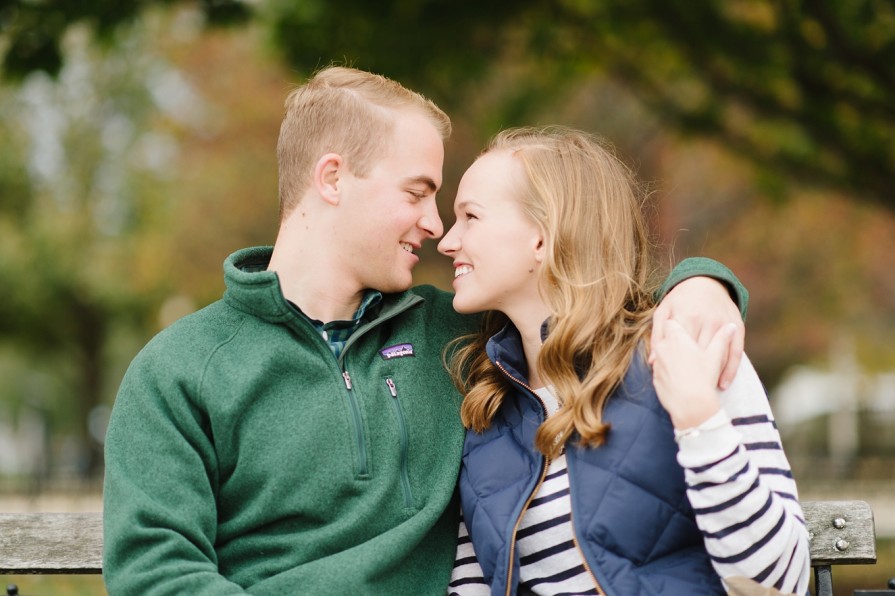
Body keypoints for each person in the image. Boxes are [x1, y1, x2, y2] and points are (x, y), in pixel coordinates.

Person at [102, 68, 749, 595]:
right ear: (331, 178)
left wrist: (703, 282)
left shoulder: (459, 331)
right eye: (416, 193)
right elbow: (155, 574)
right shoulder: (180, 370)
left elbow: (586, 294)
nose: (435, 225)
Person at [440, 127, 809, 596]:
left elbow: (782, 580)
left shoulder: (684, 347)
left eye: (470, 216)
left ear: (543, 236)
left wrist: (699, 419)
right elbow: (474, 583)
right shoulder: (488, 407)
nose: (448, 241)